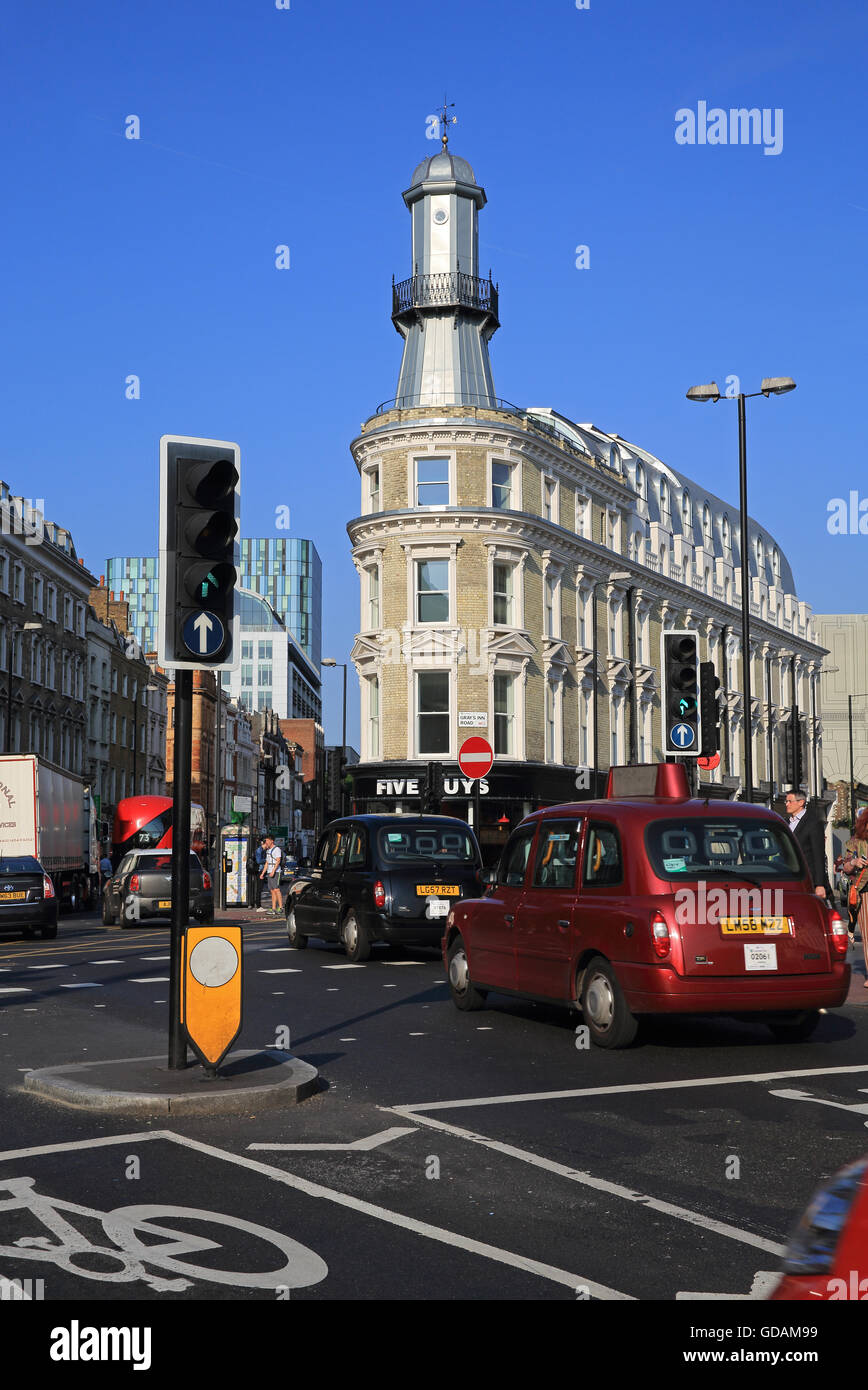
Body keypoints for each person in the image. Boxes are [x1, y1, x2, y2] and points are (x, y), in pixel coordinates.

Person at [784, 789, 832, 899]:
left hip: (808, 879)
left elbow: (818, 854)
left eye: (790, 801)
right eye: (786, 801)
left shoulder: (813, 822)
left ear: (801, 802)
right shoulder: (786, 822)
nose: (787, 804)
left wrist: (819, 884)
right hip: (790, 878)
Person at [842, 809, 868, 977]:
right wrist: (854, 861)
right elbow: (845, 867)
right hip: (864, 889)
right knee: (867, 934)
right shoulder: (856, 842)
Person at [259, 835, 284, 915]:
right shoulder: (268, 850)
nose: (266, 842)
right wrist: (263, 873)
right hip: (269, 871)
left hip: (276, 872)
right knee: (272, 890)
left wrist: (273, 871)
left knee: (276, 889)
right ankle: (273, 908)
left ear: (272, 841)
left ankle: (280, 907)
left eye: (267, 841)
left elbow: (278, 861)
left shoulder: (277, 849)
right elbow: (267, 862)